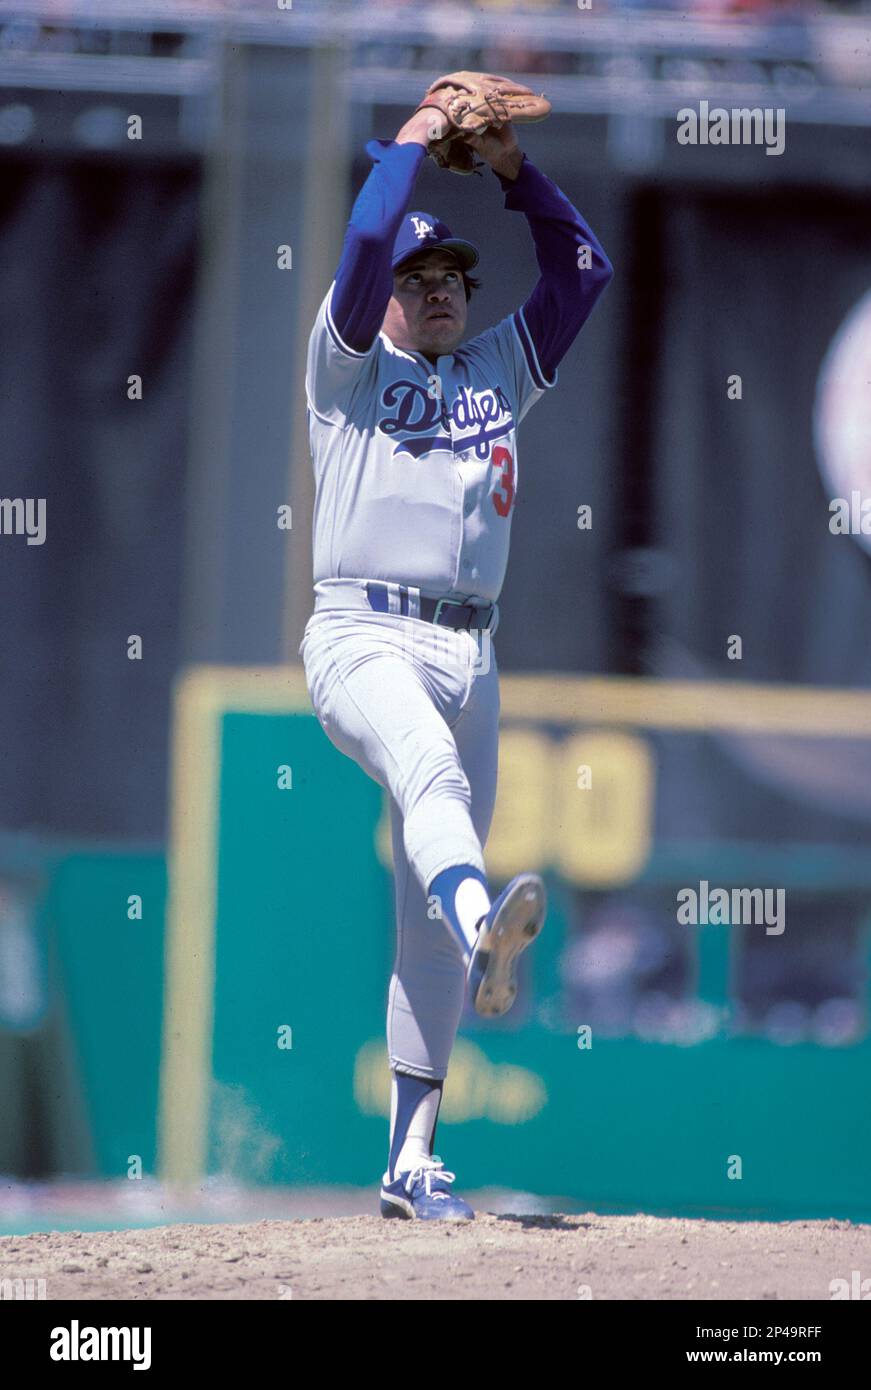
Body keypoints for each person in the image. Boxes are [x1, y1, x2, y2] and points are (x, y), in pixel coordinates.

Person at [299, 91, 612, 1220]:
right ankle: (493, 929)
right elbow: (372, 234)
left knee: (425, 904)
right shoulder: (343, 375)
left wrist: (516, 172)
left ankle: (411, 1158)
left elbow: (583, 270)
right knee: (430, 790)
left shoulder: (496, 370)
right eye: (414, 283)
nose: (431, 293)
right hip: (360, 632)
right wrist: (423, 134)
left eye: (449, 283)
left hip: (475, 649)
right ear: (378, 302)